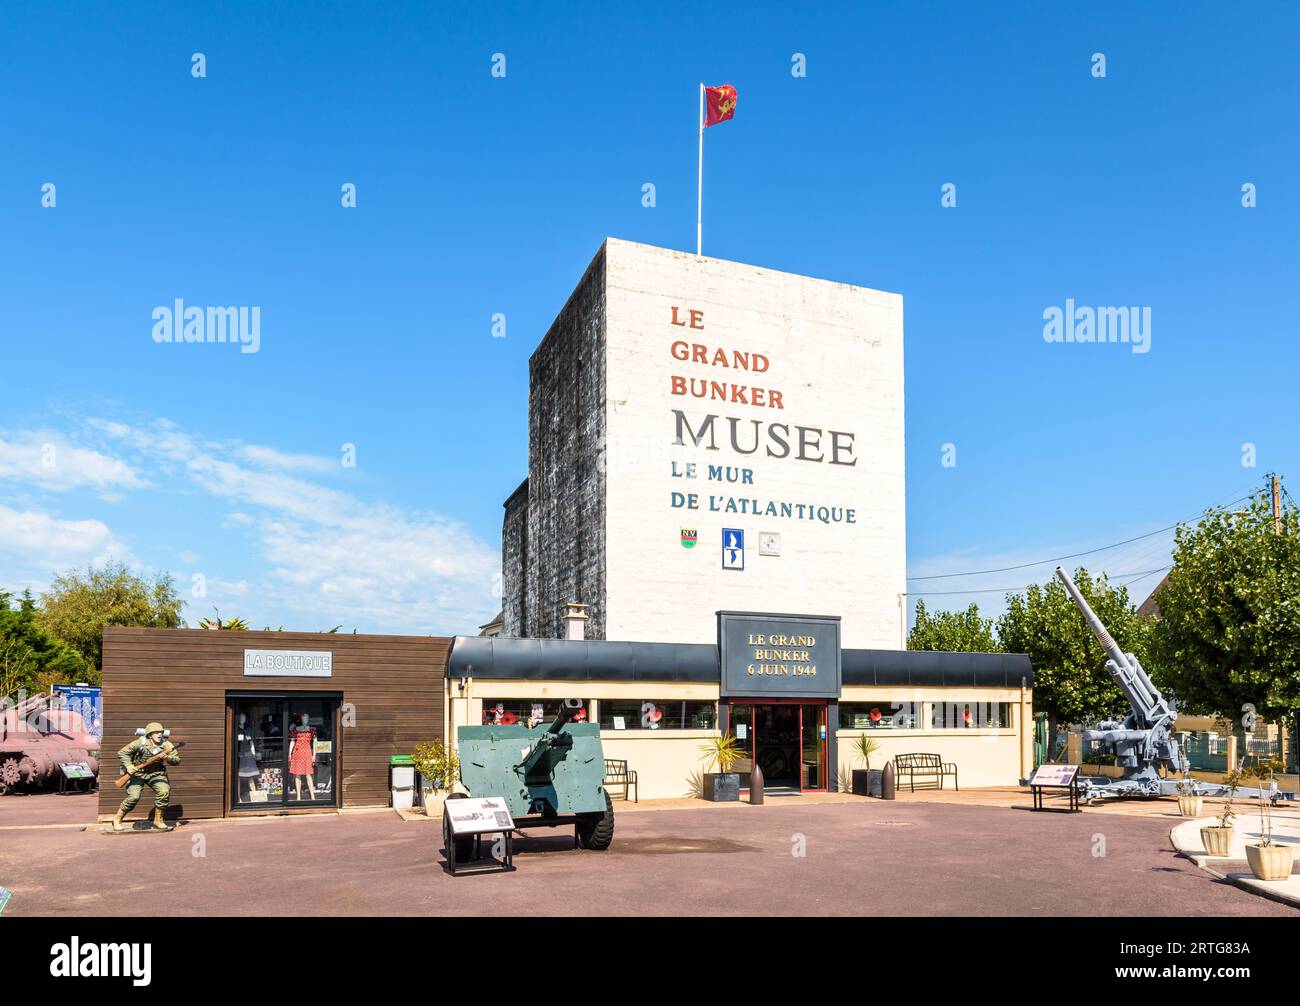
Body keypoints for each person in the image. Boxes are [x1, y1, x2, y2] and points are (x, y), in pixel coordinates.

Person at [112, 722, 181, 831]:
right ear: (149, 735)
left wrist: (167, 758)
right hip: (137, 774)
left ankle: (158, 820)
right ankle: (117, 819)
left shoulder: (166, 744)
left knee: (164, 791)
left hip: (156, 773)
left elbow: (177, 761)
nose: (159, 735)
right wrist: (129, 766)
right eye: (156, 733)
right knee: (133, 797)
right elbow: (122, 752)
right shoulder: (140, 742)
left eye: (161, 732)